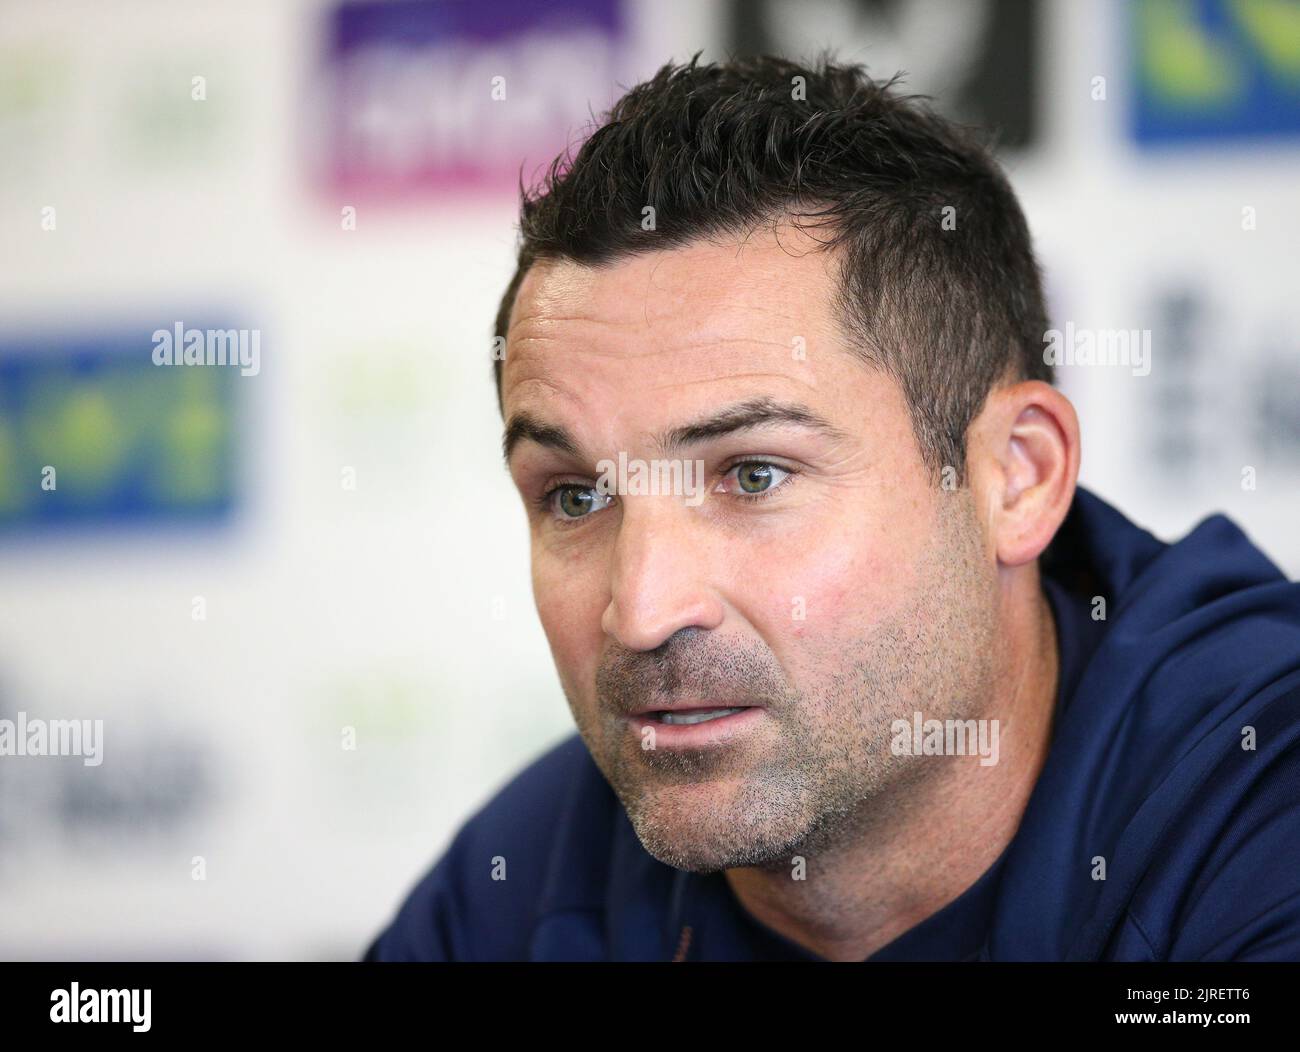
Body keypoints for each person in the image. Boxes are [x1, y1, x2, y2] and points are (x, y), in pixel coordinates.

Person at [363, 55, 1300, 961]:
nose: (641, 613)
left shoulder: (1261, 813)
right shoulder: (517, 895)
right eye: (576, 496)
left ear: (1016, 477)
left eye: (753, 475)